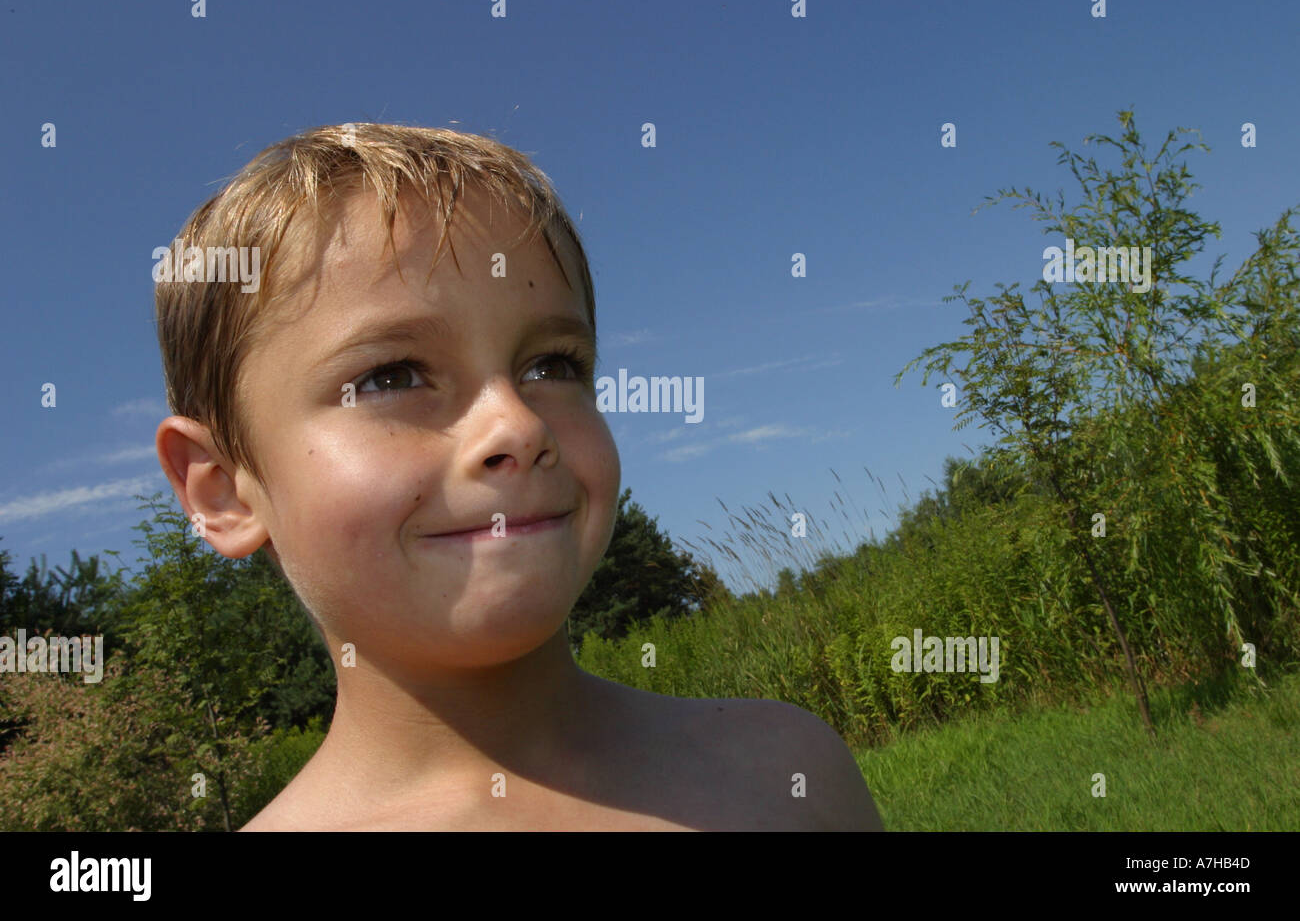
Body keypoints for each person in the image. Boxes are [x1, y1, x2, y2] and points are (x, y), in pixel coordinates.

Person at [153, 123, 884, 831]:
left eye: (554, 365)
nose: (518, 427)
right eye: (392, 376)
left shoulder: (788, 769)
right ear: (220, 490)